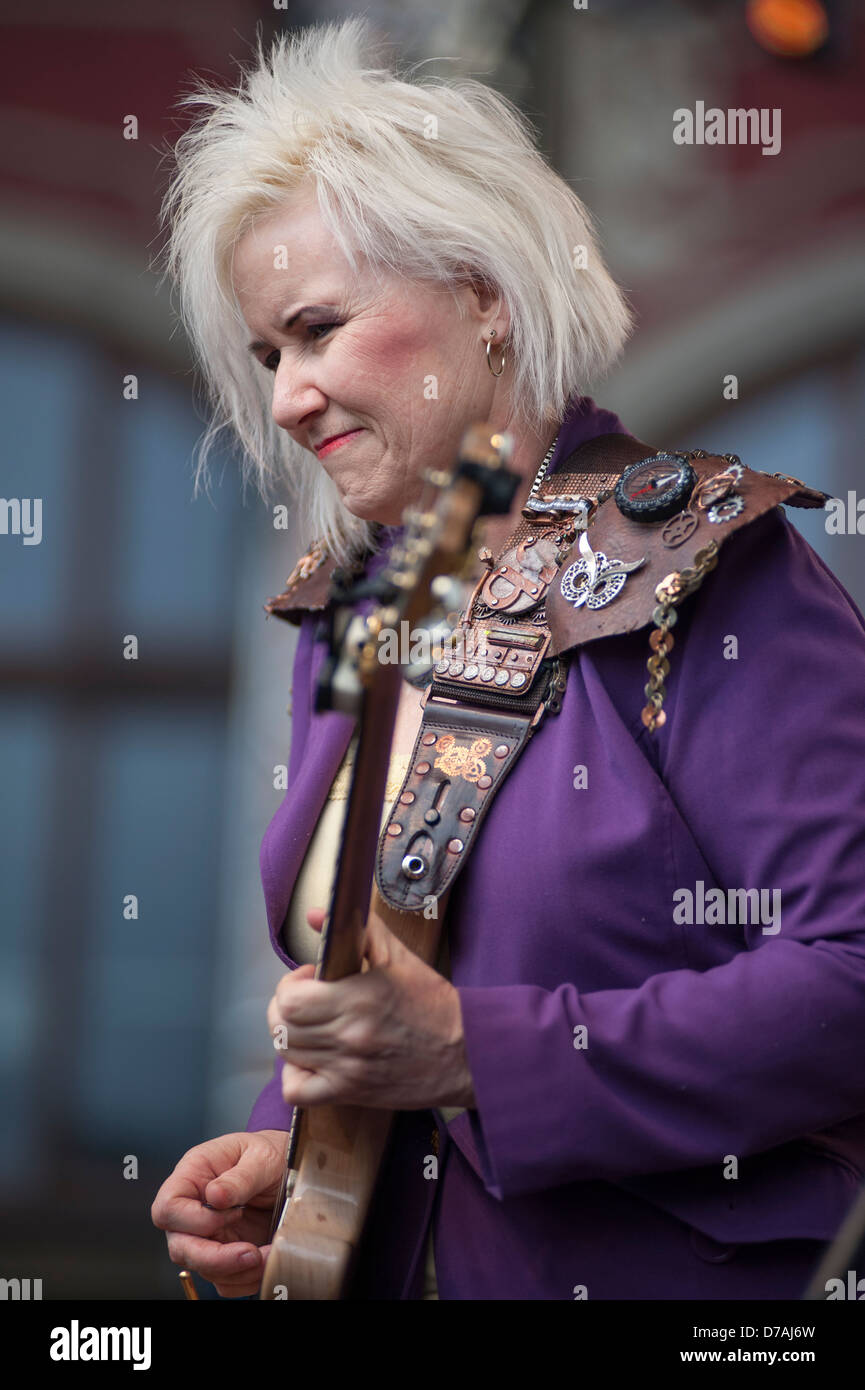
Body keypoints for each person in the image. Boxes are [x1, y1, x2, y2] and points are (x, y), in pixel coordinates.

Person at [151, 17, 865, 1300]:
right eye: (267, 355)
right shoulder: (367, 600)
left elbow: (853, 974)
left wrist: (489, 1053)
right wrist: (287, 1144)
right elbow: (361, 985)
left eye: (316, 329)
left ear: (481, 295)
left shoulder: (714, 565)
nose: (284, 398)